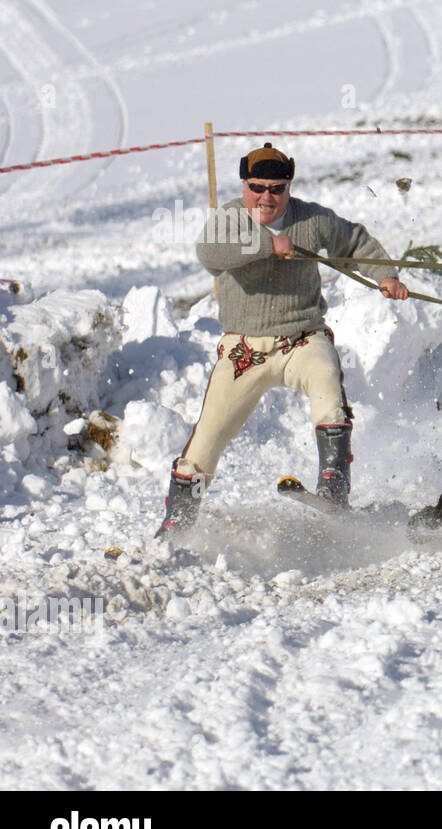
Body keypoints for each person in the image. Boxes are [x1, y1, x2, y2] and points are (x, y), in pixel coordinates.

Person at [154, 143, 409, 538]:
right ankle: (178, 519)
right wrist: (266, 245)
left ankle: (334, 482)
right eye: (257, 187)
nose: (266, 197)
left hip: (301, 338)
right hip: (244, 349)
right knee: (208, 435)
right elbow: (210, 254)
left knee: (326, 380)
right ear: (244, 185)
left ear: (289, 187)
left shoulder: (311, 219)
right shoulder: (230, 219)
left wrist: (385, 275)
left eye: (277, 188)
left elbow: (354, 240)